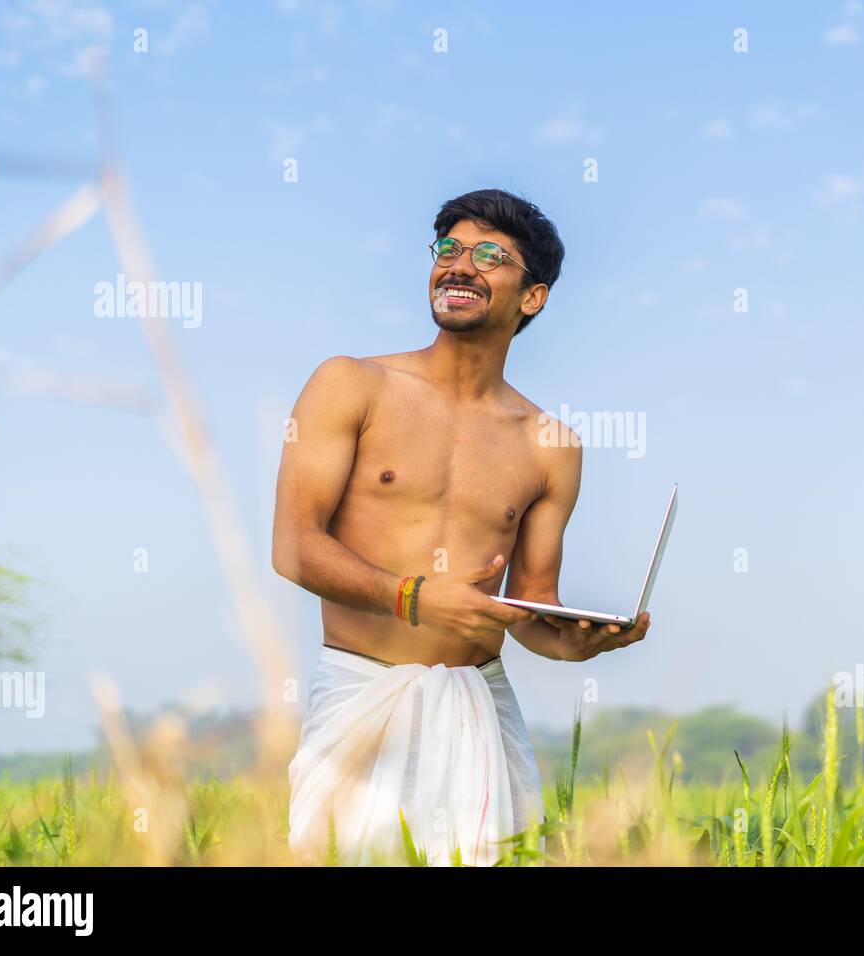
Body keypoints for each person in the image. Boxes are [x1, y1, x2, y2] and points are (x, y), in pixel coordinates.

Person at [272, 188, 652, 865]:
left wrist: (579, 645)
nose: (458, 266)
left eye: (489, 256)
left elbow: (532, 608)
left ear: (531, 297)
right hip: (363, 694)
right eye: (447, 249)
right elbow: (294, 546)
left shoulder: (550, 444)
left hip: (480, 706)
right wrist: (411, 596)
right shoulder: (349, 384)